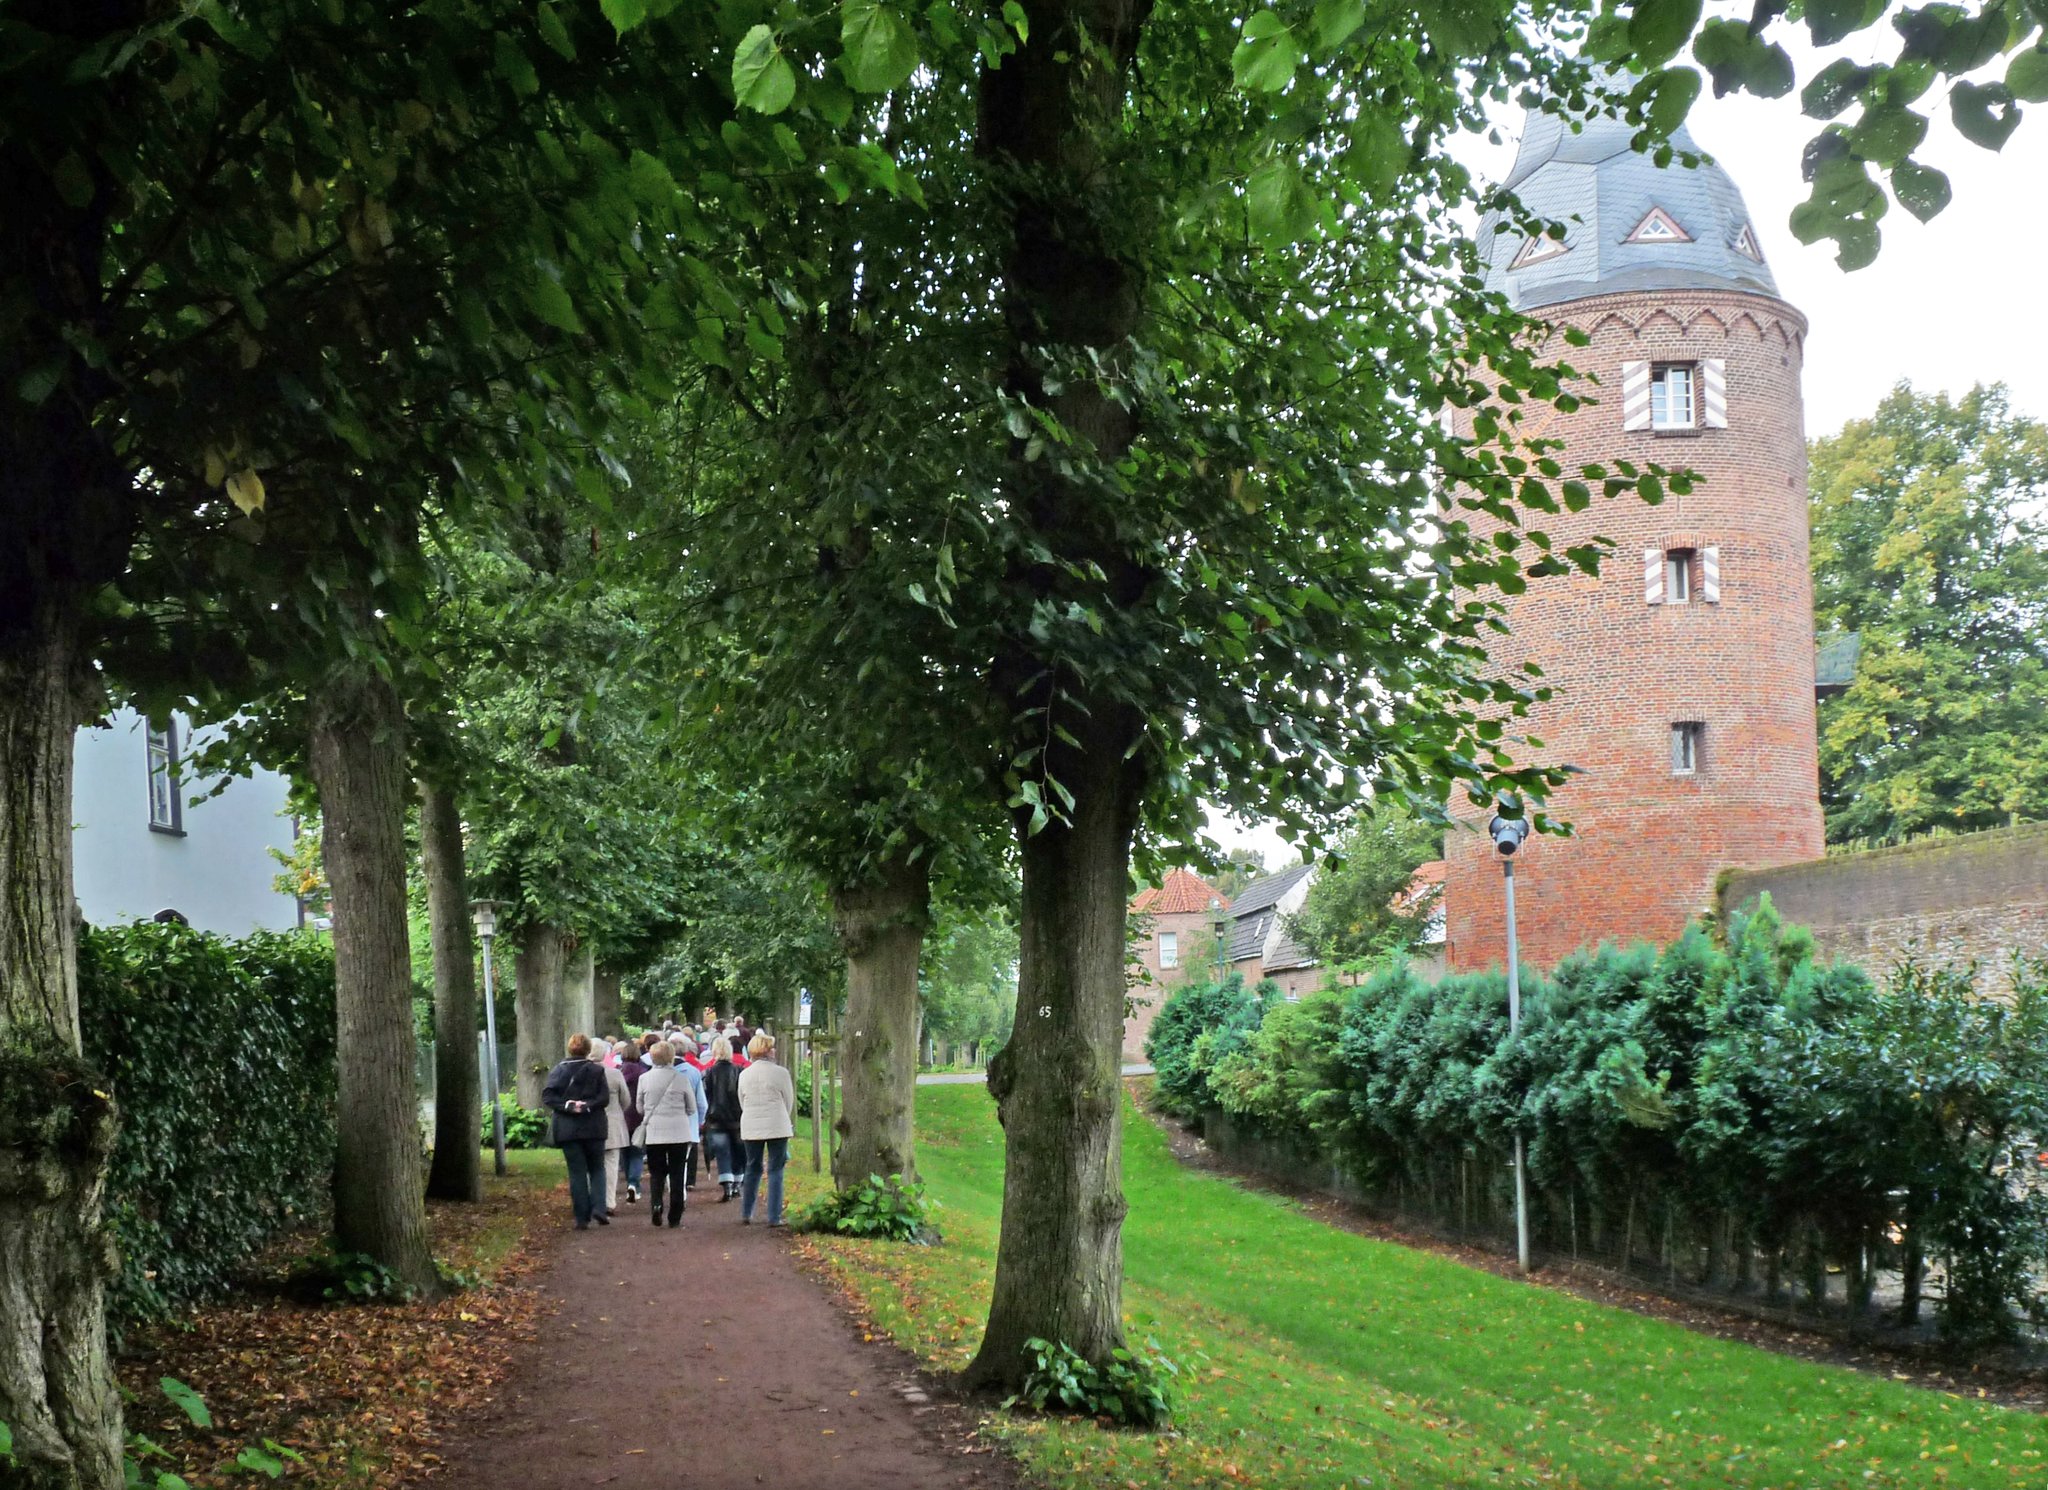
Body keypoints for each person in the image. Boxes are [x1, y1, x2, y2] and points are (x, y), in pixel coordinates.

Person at [541, 1033, 610, 1229]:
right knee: (597, 1168)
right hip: (594, 1126)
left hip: (568, 1128)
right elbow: (604, 1098)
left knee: (576, 1172)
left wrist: (568, 1106)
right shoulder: (597, 1070)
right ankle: (599, 1207)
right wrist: (587, 1105)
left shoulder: (559, 1070)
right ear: (588, 1050)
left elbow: (548, 1096)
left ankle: (581, 1217)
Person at [632, 1041, 699, 1227]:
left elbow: (639, 1108)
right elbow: (692, 1108)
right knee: (677, 1172)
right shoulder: (681, 1078)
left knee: (656, 1173)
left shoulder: (644, 1079)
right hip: (679, 1132)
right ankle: (675, 1213)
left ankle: (656, 1204)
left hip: (654, 1132)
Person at [737, 1031, 796, 1227]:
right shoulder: (781, 1073)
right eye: (772, 1047)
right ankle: (774, 1216)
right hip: (777, 1124)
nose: (775, 1050)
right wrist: (784, 1117)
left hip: (751, 1124)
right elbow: (788, 1101)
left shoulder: (744, 1074)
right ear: (767, 1051)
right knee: (775, 1169)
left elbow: (742, 1100)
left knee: (752, 1167)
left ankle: (747, 1212)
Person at [700, 1036, 745, 1201]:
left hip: (716, 1119)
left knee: (722, 1152)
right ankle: (737, 1184)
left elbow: (705, 1096)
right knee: (738, 1151)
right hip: (737, 1118)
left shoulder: (709, 1072)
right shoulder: (739, 1071)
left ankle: (727, 1186)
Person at [600, 1046, 636, 1215]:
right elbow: (626, 1099)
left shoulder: (580, 1073)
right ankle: (609, 1202)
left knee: (590, 1164)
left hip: (587, 1125)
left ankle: (593, 1200)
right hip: (612, 1124)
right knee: (611, 1164)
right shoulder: (614, 1074)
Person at [616, 1038, 651, 1202]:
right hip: (638, 1116)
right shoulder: (644, 1073)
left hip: (622, 1116)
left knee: (625, 1152)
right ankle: (633, 1183)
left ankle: (629, 1180)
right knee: (637, 1152)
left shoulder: (618, 1073)